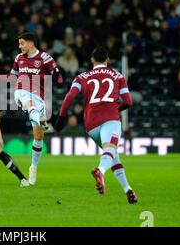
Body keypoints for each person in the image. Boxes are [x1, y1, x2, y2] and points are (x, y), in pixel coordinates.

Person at [54, 47, 137, 204]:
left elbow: (70, 96)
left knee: (112, 154)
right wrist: (115, 110)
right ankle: (100, 171)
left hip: (91, 126)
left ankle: (129, 190)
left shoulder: (81, 77)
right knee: (109, 152)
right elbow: (128, 101)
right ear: (108, 60)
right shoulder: (118, 76)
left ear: (92, 60)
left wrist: (61, 117)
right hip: (110, 120)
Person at [7, 32, 63, 185]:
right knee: (29, 104)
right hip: (21, 92)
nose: (19, 46)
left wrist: (58, 77)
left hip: (39, 97)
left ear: (31, 43)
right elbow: (13, 75)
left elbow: (57, 73)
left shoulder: (45, 58)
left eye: (22, 43)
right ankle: (41, 118)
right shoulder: (19, 58)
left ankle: (33, 167)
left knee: (38, 137)